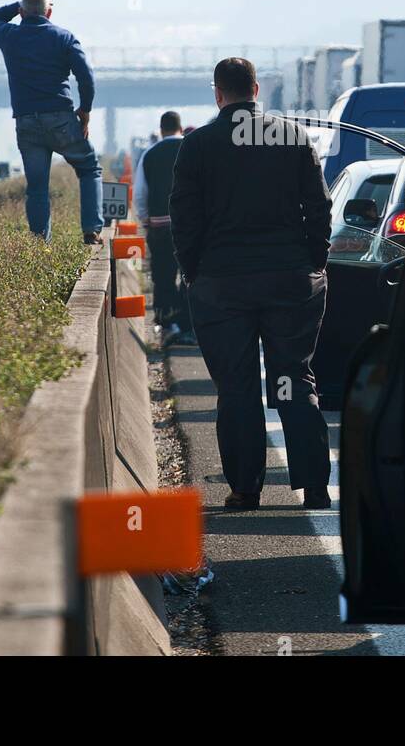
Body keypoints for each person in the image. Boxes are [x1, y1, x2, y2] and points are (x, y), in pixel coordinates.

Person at [169, 57, 333, 510]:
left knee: (237, 386)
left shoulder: (198, 145)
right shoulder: (294, 137)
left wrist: (196, 272)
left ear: (218, 94)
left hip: (223, 286)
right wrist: (312, 263)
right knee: (294, 378)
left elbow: (185, 219)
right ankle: (315, 486)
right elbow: (319, 209)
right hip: (290, 281)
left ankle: (245, 488)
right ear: (256, 90)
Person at [0, 0, 103, 243]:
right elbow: (86, 77)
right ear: (49, 12)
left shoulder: (9, 36)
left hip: (26, 122)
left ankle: (40, 245)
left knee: (37, 188)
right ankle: (91, 230)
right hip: (61, 119)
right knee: (89, 168)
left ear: (22, 12)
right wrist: (85, 110)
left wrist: (18, 6)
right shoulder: (64, 38)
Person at [134, 110, 193, 345]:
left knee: (163, 277)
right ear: (180, 128)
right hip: (191, 227)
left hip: (160, 227)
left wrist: (145, 220)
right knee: (191, 276)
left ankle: (168, 326)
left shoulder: (150, 154)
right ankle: (189, 326)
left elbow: (139, 194)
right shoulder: (194, 148)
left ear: (161, 129)